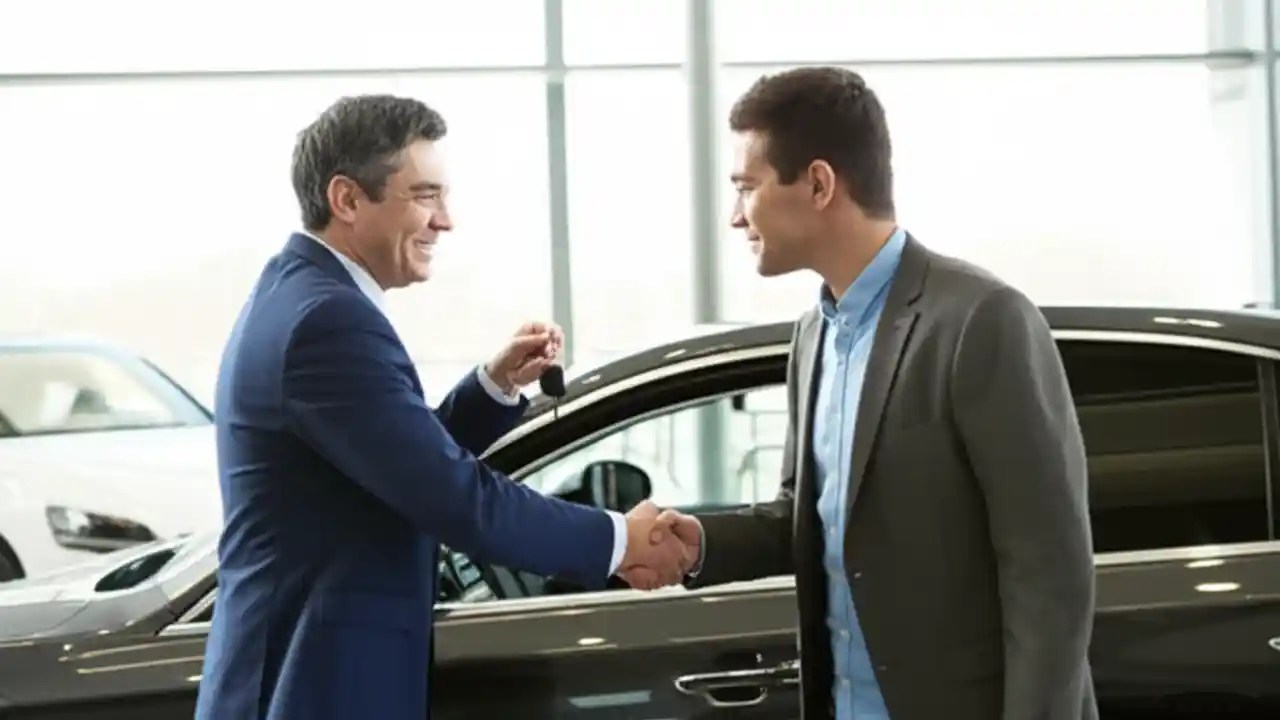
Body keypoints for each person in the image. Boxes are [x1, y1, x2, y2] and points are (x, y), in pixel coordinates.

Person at [621, 67, 1098, 719]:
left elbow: (1052, 578)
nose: (735, 216)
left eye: (746, 188)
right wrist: (697, 540)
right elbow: (809, 518)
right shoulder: (813, 335)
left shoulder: (982, 321)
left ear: (818, 183)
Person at [194, 94, 687, 720]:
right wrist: (620, 540)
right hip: (312, 682)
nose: (444, 220)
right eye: (424, 196)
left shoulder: (303, 296)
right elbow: (454, 498)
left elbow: (388, 464)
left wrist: (493, 387)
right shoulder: (329, 319)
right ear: (347, 199)